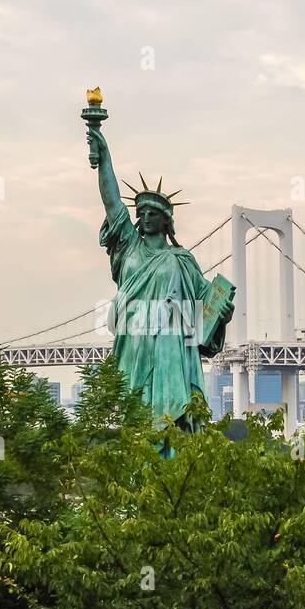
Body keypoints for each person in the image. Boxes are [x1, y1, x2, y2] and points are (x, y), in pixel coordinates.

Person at [87, 124, 233, 430]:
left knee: (169, 427)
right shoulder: (129, 248)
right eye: (142, 212)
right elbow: (112, 203)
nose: (146, 217)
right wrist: (104, 158)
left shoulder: (182, 260)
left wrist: (223, 314)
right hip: (134, 343)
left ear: (167, 221)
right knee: (137, 423)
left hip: (172, 350)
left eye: (153, 213)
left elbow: (207, 307)